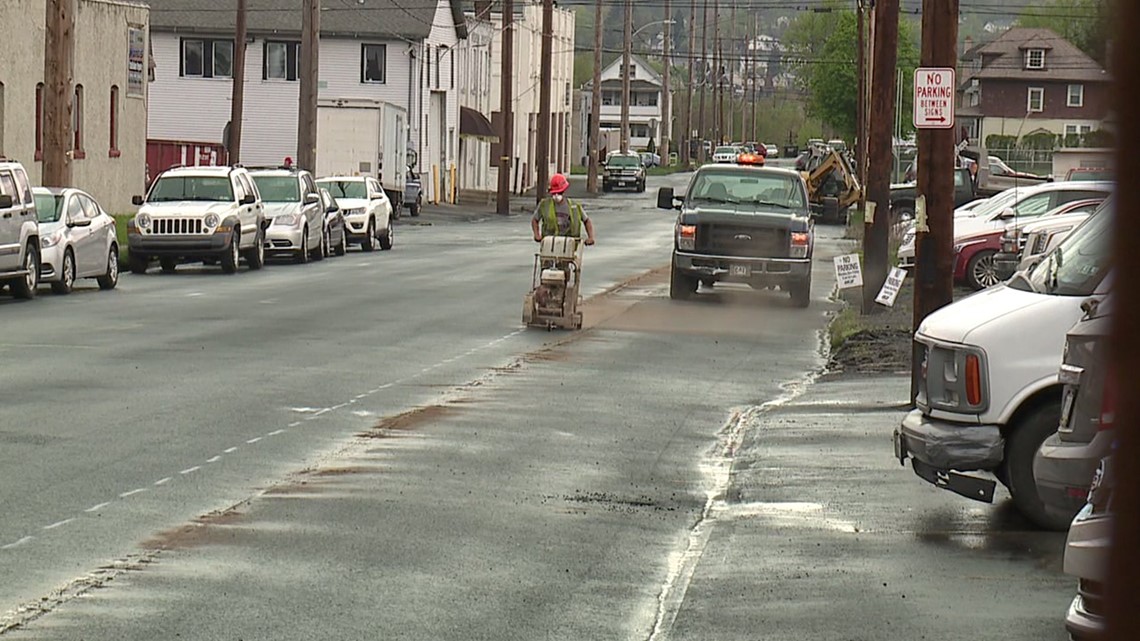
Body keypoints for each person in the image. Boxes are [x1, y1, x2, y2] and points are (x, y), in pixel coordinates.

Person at [531, 174, 596, 245]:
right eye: (554, 193)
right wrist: (536, 235)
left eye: (559, 193)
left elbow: (586, 221)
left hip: (570, 244)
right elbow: (535, 220)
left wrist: (590, 237)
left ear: (563, 191)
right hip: (549, 244)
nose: (556, 195)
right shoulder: (544, 205)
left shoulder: (575, 206)